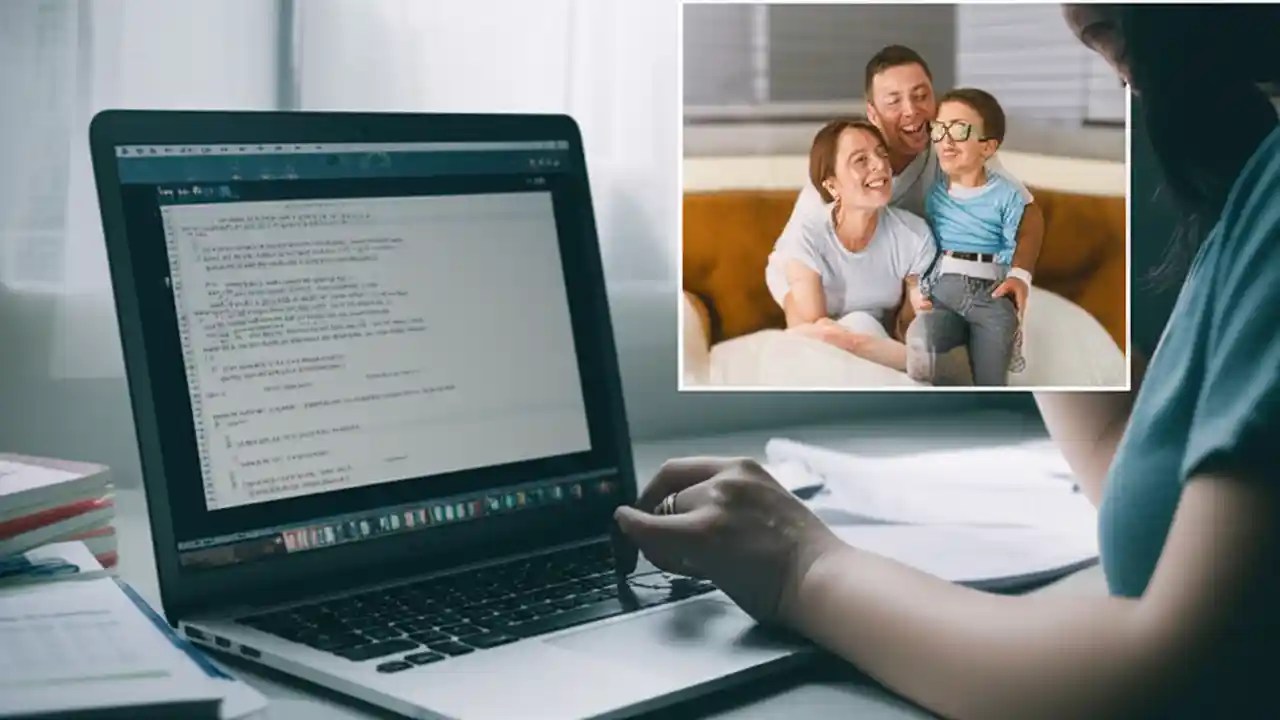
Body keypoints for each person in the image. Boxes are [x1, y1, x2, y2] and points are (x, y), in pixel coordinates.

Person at [614, 5, 1279, 718]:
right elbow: (1151, 479)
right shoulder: (1256, 191)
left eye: (922, 98)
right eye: (889, 107)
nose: (1073, 20)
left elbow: (1189, 672)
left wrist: (803, 568)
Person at [769, 45, 1044, 370]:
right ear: (873, 113)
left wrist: (1019, 276)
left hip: (900, 295)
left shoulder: (956, 152)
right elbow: (795, 266)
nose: (912, 110)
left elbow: (1027, 212)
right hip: (813, 289)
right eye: (894, 101)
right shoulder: (837, 178)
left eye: (921, 95)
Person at [764, 118, 935, 372]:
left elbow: (909, 331)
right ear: (832, 185)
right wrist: (857, 342)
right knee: (855, 326)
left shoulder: (914, 236)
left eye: (881, 154)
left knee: (864, 324)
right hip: (821, 358)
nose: (880, 165)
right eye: (861, 160)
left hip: (878, 350)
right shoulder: (807, 234)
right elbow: (814, 335)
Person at [907, 88, 1035, 386]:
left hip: (989, 293)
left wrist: (1015, 276)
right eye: (939, 129)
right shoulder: (934, 196)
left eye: (960, 129)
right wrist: (916, 286)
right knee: (923, 337)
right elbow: (924, 245)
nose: (946, 140)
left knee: (993, 369)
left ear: (988, 148)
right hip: (942, 290)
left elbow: (1016, 237)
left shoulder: (1007, 195)